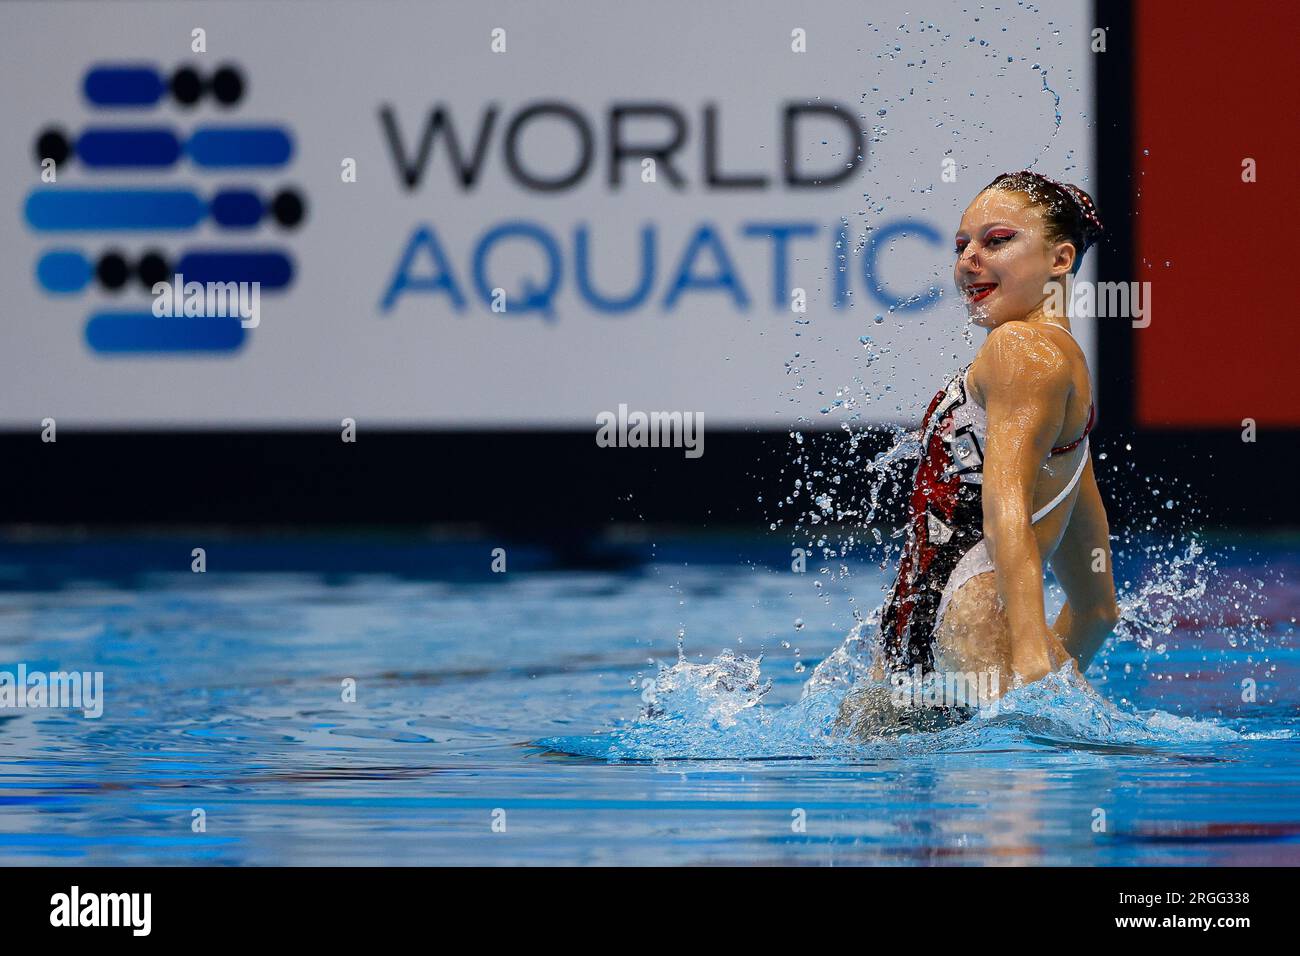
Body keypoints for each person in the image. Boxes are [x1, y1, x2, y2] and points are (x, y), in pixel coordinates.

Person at [842, 171, 1121, 729]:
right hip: (952, 633)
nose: (969, 258)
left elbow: (1005, 508)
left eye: (997, 240)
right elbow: (1097, 609)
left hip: (939, 631)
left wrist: (1030, 663)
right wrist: (1037, 675)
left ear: (1060, 260)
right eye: (961, 245)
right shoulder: (1064, 371)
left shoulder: (1019, 348)